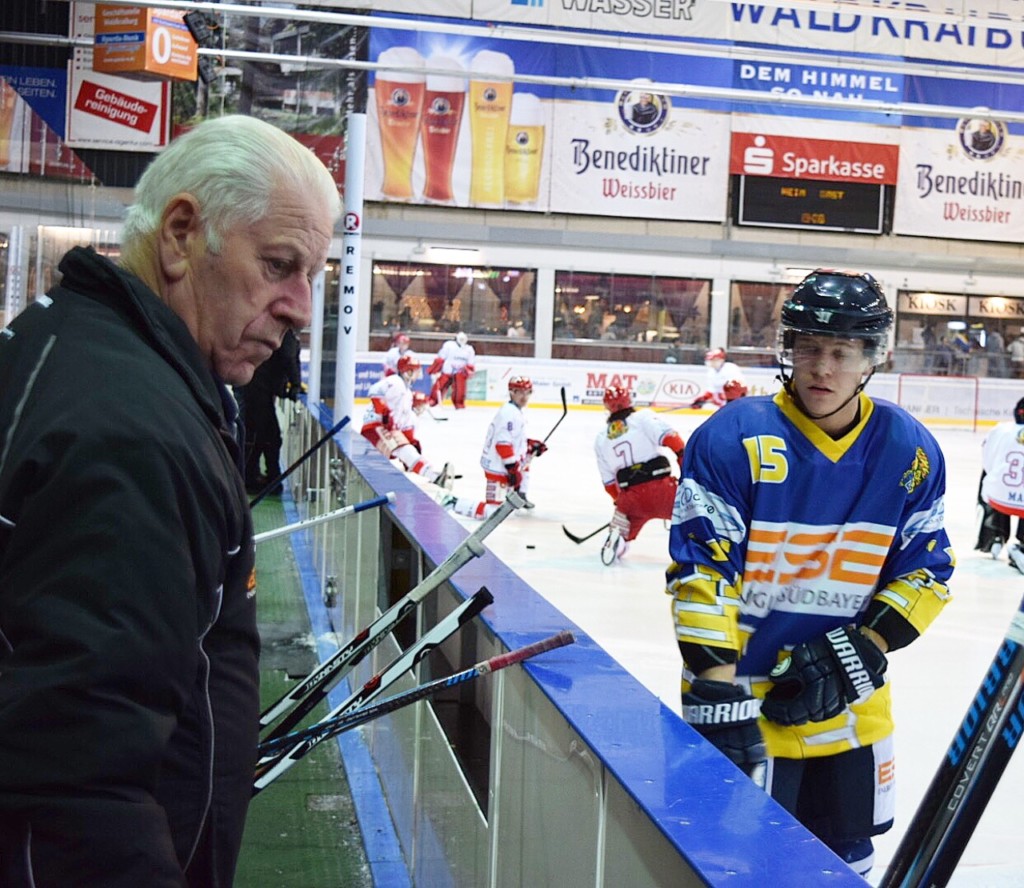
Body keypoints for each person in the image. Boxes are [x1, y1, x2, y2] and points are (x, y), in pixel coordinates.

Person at [0, 115, 341, 886]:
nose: (298, 308)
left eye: (310, 276)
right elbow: (82, 784)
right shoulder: (132, 434)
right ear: (183, 235)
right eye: (280, 265)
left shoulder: (77, 347)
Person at [666, 270, 954, 879]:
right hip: (742, 709)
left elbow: (928, 568)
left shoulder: (910, 450)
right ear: (788, 348)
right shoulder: (732, 437)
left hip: (852, 716)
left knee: (845, 869)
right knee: (731, 869)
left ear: (870, 358)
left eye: (842, 353)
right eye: (809, 348)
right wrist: (718, 690)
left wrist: (862, 647)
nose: (822, 368)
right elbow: (701, 571)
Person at [594, 387, 685, 565]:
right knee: (692, 517)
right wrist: (685, 468)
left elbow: (609, 483)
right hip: (663, 489)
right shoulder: (642, 417)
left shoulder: (600, 438)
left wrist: (620, 503)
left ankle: (618, 540)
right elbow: (673, 440)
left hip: (631, 498)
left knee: (624, 531)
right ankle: (702, 544)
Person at [442, 375, 547, 517]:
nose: (524, 396)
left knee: (505, 511)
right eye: (520, 392)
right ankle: (453, 503)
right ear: (512, 392)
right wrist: (513, 469)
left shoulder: (514, 411)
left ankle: (520, 495)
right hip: (498, 468)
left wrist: (530, 445)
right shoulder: (509, 414)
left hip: (502, 466)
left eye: (527, 392)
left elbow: (514, 439)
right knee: (495, 513)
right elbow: (502, 445)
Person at [360, 355, 452, 489]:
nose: (417, 374)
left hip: (383, 428)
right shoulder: (395, 381)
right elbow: (374, 391)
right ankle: (433, 476)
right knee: (403, 449)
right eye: (415, 371)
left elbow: (402, 425)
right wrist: (384, 412)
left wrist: (411, 445)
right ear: (408, 371)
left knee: (405, 450)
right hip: (375, 426)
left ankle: (433, 475)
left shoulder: (406, 392)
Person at [237, 326, 302, 494]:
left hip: (254, 388)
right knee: (267, 435)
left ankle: (257, 477)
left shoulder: (279, 331)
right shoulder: (286, 333)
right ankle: (262, 479)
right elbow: (288, 357)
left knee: (261, 435)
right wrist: (295, 383)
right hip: (257, 390)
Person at [975, 396, 1024, 567]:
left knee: (992, 481)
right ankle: (1022, 544)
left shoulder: (1001, 430)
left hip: (999, 499)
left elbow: (988, 462)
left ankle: (995, 534)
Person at [428, 331, 476, 409]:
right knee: (440, 385)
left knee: (460, 389)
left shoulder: (469, 349)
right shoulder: (449, 345)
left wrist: (468, 371)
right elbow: (441, 358)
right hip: (447, 371)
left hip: (460, 372)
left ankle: (459, 403)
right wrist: (435, 369)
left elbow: (471, 363)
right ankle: (433, 400)